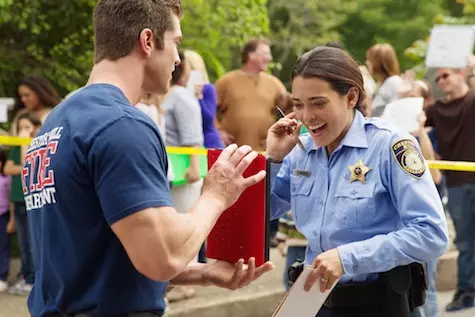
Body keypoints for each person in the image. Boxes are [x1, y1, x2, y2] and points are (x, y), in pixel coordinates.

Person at [23, 1, 273, 316]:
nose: (178, 58)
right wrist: (216, 194)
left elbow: (108, 249)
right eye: (175, 43)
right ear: (148, 41)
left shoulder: (57, 122)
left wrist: (204, 272)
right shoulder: (121, 124)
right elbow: (162, 256)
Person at [266, 46, 449, 317]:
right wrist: (272, 160)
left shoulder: (390, 145)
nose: (306, 117)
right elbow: (263, 212)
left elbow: (431, 234)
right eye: (298, 105)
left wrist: (347, 258)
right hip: (312, 298)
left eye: (318, 103)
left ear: (351, 96)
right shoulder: (300, 151)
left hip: (378, 302)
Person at [425, 66, 475, 312]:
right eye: (438, 78)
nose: (441, 81)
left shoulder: (473, 98)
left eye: (446, 75)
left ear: (460, 74)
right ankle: (467, 292)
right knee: (465, 241)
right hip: (456, 183)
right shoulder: (436, 110)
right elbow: (415, 121)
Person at [4, 112, 42, 296]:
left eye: (26, 127)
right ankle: (27, 277)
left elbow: (29, 165)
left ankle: (34, 279)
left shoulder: (35, 145)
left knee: (34, 242)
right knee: (24, 243)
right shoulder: (16, 148)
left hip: (32, 200)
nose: (22, 132)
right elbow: (8, 168)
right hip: (17, 201)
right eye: (20, 128)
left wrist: (25, 143)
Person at [0, 148, 11, 293]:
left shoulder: (6, 179)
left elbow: (11, 199)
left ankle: (2, 276)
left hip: (3, 215)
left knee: (3, 247)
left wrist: (12, 219)